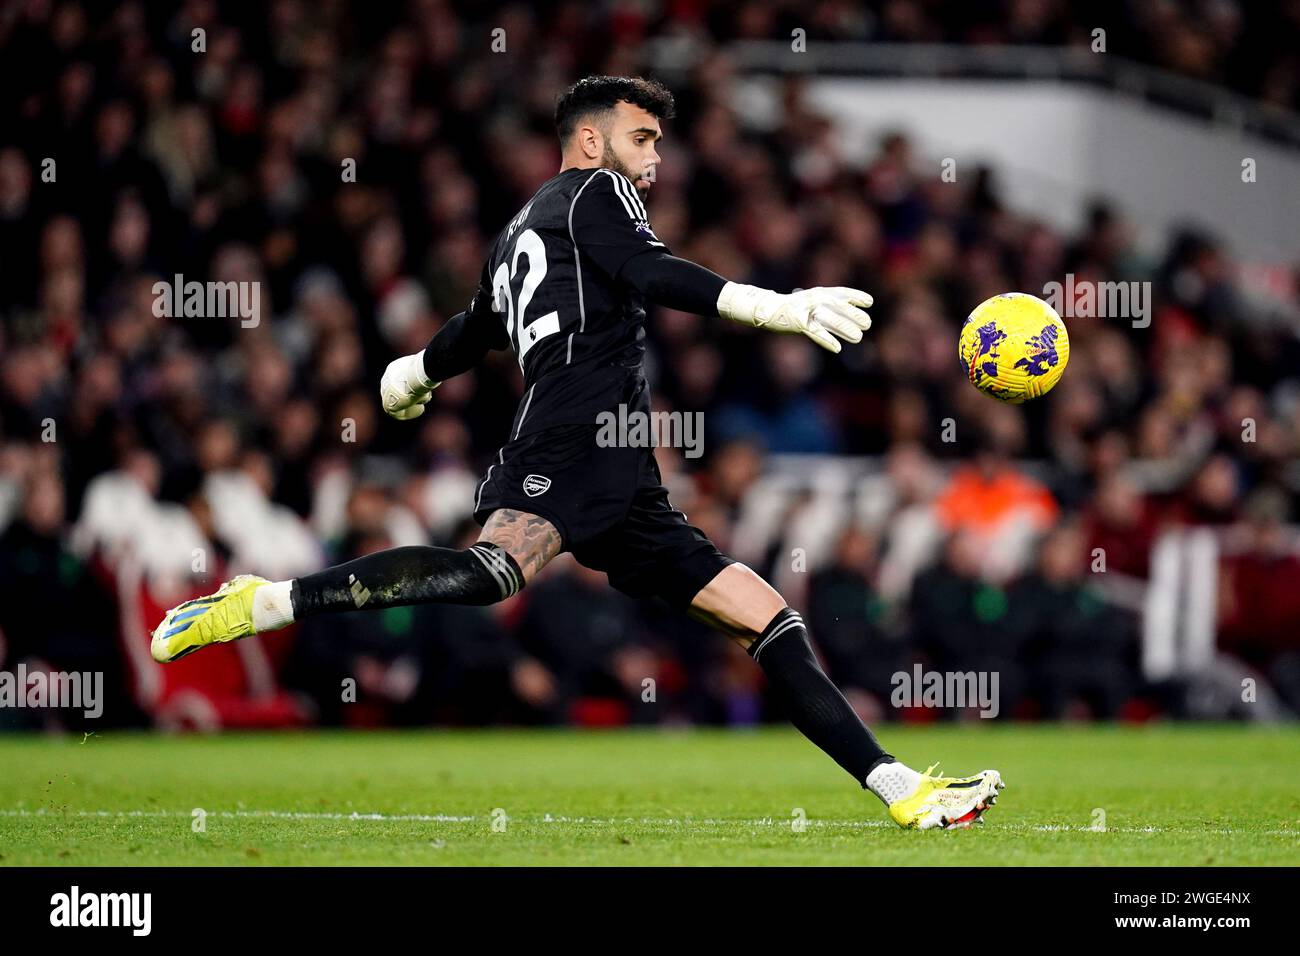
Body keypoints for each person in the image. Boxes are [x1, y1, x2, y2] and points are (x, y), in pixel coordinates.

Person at [150, 75, 1003, 830]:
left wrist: (415, 368)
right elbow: (648, 271)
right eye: (644, 139)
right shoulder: (596, 191)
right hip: (571, 432)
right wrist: (767, 305)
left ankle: (900, 788)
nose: (655, 160)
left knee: (767, 617)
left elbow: (478, 325)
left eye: (660, 144)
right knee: (490, 574)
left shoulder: (525, 225)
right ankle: (264, 603)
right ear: (591, 140)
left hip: (622, 466)